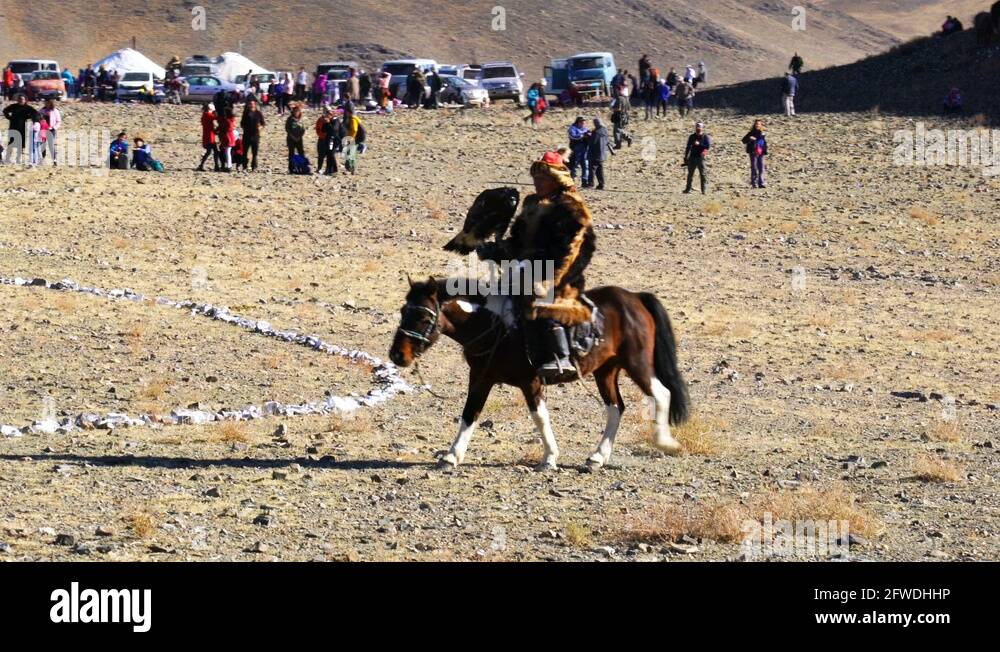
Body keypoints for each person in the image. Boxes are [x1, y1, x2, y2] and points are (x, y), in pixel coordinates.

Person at [475, 151, 596, 381]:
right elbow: (519, 242)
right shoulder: (532, 203)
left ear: (556, 180)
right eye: (536, 179)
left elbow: (574, 249)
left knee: (538, 297)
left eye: (543, 179)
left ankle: (561, 357)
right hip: (528, 269)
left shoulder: (571, 207)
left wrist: (548, 274)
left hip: (561, 273)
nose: (537, 183)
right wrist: (496, 251)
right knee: (496, 297)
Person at [3, 94, 39, 165]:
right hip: (13, 126)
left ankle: (19, 159)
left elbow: (35, 113)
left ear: (25, 100)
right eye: (19, 99)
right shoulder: (13, 106)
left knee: (21, 143)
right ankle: (8, 159)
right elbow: (5, 111)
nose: (20, 100)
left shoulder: (27, 107)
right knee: (11, 142)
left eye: (22, 99)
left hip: (22, 127)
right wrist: (9, 118)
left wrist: (28, 117)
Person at [586, 118, 615, 190]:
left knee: (592, 169)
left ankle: (590, 184)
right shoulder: (604, 130)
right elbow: (607, 141)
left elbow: (592, 142)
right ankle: (601, 184)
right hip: (602, 154)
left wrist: (588, 136)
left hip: (594, 154)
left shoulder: (595, 132)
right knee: (600, 170)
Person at [683, 122, 711, 194]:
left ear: (702, 128)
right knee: (690, 174)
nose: (698, 128)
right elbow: (688, 147)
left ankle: (703, 190)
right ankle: (688, 189)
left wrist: (699, 145)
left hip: (700, 158)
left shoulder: (705, 137)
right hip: (692, 157)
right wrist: (686, 156)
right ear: (695, 127)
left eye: (700, 126)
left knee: (703, 174)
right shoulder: (692, 136)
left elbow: (707, 147)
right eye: (697, 126)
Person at [240, 99, 265, 171]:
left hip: (255, 135)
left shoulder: (258, 113)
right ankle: (244, 166)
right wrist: (245, 128)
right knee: (245, 151)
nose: (251, 105)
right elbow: (242, 123)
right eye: (250, 104)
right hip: (247, 135)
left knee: (255, 152)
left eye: (252, 103)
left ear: (255, 104)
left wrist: (259, 128)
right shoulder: (246, 113)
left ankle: (254, 167)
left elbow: (263, 123)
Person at [742, 119, 768, 189]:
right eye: (756, 124)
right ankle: (754, 183)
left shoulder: (763, 132)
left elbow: (762, 137)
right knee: (754, 168)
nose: (757, 125)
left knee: (761, 168)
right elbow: (743, 140)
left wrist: (761, 132)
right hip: (753, 152)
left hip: (761, 152)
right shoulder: (751, 133)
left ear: (761, 125)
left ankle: (761, 183)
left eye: (759, 124)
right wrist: (749, 138)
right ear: (754, 125)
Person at [567, 116, 590, 182]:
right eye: (581, 121)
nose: (583, 123)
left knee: (585, 164)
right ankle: (573, 178)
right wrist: (582, 136)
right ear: (578, 122)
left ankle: (585, 180)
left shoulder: (585, 128)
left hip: (585, 149)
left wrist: (588, 135)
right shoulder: (573, 128)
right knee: (575, 164)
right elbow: (573, 136)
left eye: (583, 121)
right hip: (576, 148)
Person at [197, 103, 219, 171]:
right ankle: (215, 166)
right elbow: (216, 117)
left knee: (211, 151)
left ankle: (203, 165)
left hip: (208, 135)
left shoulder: (205, 115)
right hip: (209, 136)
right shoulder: (207, 115)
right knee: (213, 151)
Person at [285, 103, 306, 173]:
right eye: (295, 111)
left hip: (299, 139)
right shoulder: (290, 119)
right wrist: (293, 137)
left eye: (298, 111)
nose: (296, 112)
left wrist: (299, 136)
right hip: (291, 139)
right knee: (291, 153)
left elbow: (303, 129)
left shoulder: (301, 119)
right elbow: (287, 129)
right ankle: (291, 169)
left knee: (301, 153)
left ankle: (302, 168)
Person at [40, 99, 60, 164]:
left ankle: (54, 160)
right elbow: (37, 118)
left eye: (47, 102)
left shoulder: (55, 111)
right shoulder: (41, 110)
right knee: (42, 144)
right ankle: (42, 158)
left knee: (51, 145)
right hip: (43, 130)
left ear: (51, 103)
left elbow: (58, 121)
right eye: (45, 102)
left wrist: (54, 127)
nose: (46, 104)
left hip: (51, 130)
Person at [217, 107, 236, 172]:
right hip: (229, 137)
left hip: (228, 138)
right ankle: (229, 165)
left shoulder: (227, 121)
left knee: (227, 152)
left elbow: (228, 128)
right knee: (227, 152)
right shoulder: (231, 120)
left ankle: (229, 166)